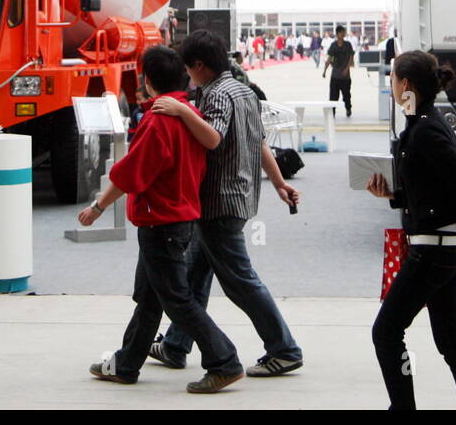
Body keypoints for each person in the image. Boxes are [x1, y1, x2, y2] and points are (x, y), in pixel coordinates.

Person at [80, 45, 244, 392]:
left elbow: (131, 175)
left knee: (176, 299)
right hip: (180, 217)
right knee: (152, 296)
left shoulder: (159, 120)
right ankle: (126, 364)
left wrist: (97, 207)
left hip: (160, 221)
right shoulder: (188, 113)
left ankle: (224, 360)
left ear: (148, 79)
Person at [147, 30, 305, 377]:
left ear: (200, 66)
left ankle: (285, 349)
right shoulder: (244, 90)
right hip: (237, 197)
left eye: (189, 69)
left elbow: (212, 137)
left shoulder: (216, 94)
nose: (187, 76)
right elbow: (259, 142)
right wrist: (279, 183)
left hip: (219, 202)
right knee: (194, 275)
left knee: (240, 281)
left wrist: (180, 109)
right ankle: (175, 345)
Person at [366, 50, 456, 409]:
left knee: (386, 332)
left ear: (405, 85)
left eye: (392, 79)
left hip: (434, 250)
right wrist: (394, 193)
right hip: (444, 247)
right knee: (451, 339)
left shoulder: (425, 131)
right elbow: (432, 186)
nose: (391, 86)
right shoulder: (425, 124)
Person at [322, 25, 355, 117]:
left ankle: (348, 109)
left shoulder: (347, 45)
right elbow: (329, 58)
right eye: (342, 32)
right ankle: (332, 111)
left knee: (346, 95)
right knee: (333, 96)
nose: (343, 34)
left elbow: (351, 58)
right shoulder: (333, 45)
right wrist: (325, 71)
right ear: (337, 34)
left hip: (345, 76)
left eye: (344, 32)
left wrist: (347, 69)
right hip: (335, 76)